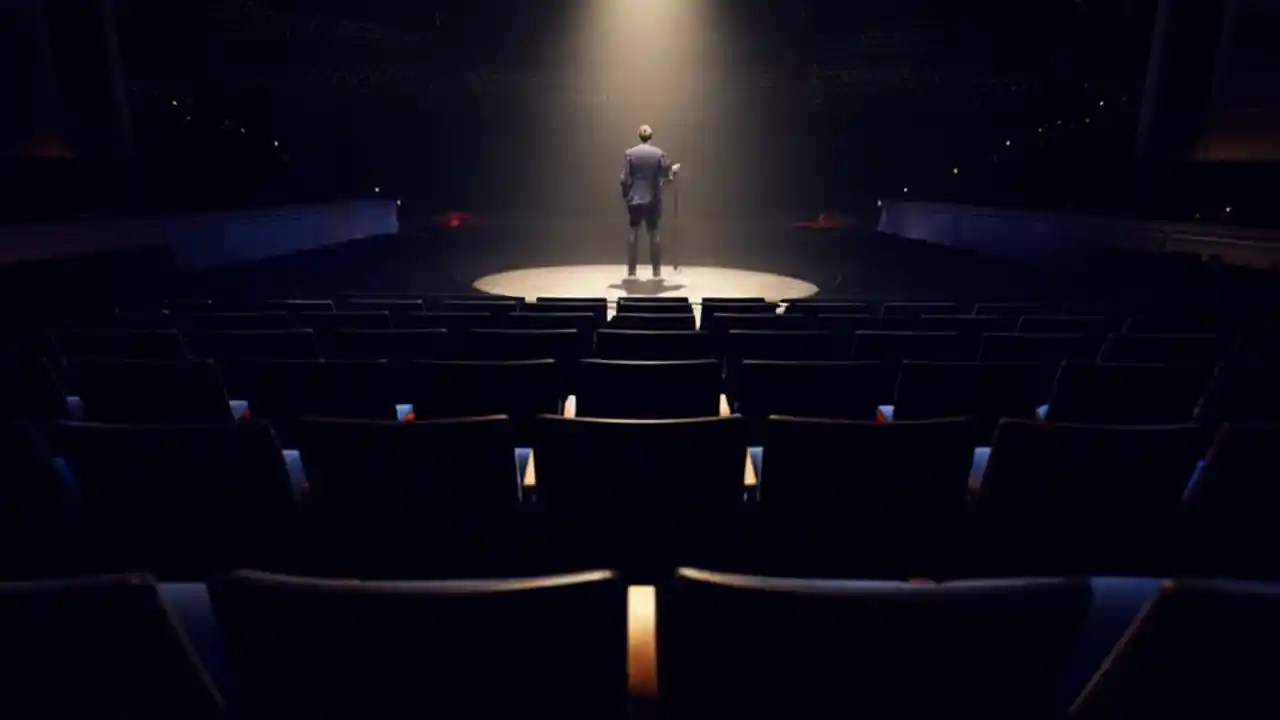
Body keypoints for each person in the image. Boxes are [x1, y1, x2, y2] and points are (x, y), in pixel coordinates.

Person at [620, 124, 679, 278]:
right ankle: (656, 271)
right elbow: (666, 175)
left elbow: (625, 178)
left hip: (634, 198)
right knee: (654, 232)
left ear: (639, 135)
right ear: (651, 136)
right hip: (652, 199)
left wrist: (626, 195)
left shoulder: (630, 153)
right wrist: (673, 172)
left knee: (633, 231)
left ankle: (632, 272)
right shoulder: (659, 154)